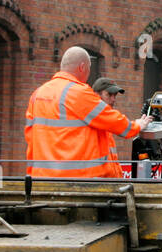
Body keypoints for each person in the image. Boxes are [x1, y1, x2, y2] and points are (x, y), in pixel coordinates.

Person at [25, 48, 149, 177]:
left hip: (41, 180)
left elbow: (30, 137)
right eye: (89, 69)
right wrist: (137, 125)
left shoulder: (37, 95)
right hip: (78, 182)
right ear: (82, 67)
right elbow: (113, 121)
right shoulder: (78, 93)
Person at [92, 77, 128, 178]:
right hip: (98, 184)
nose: (113, 99)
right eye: (109, 95)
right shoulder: (95, 117)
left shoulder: (105, 120)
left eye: (115, 95)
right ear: (97, 95)